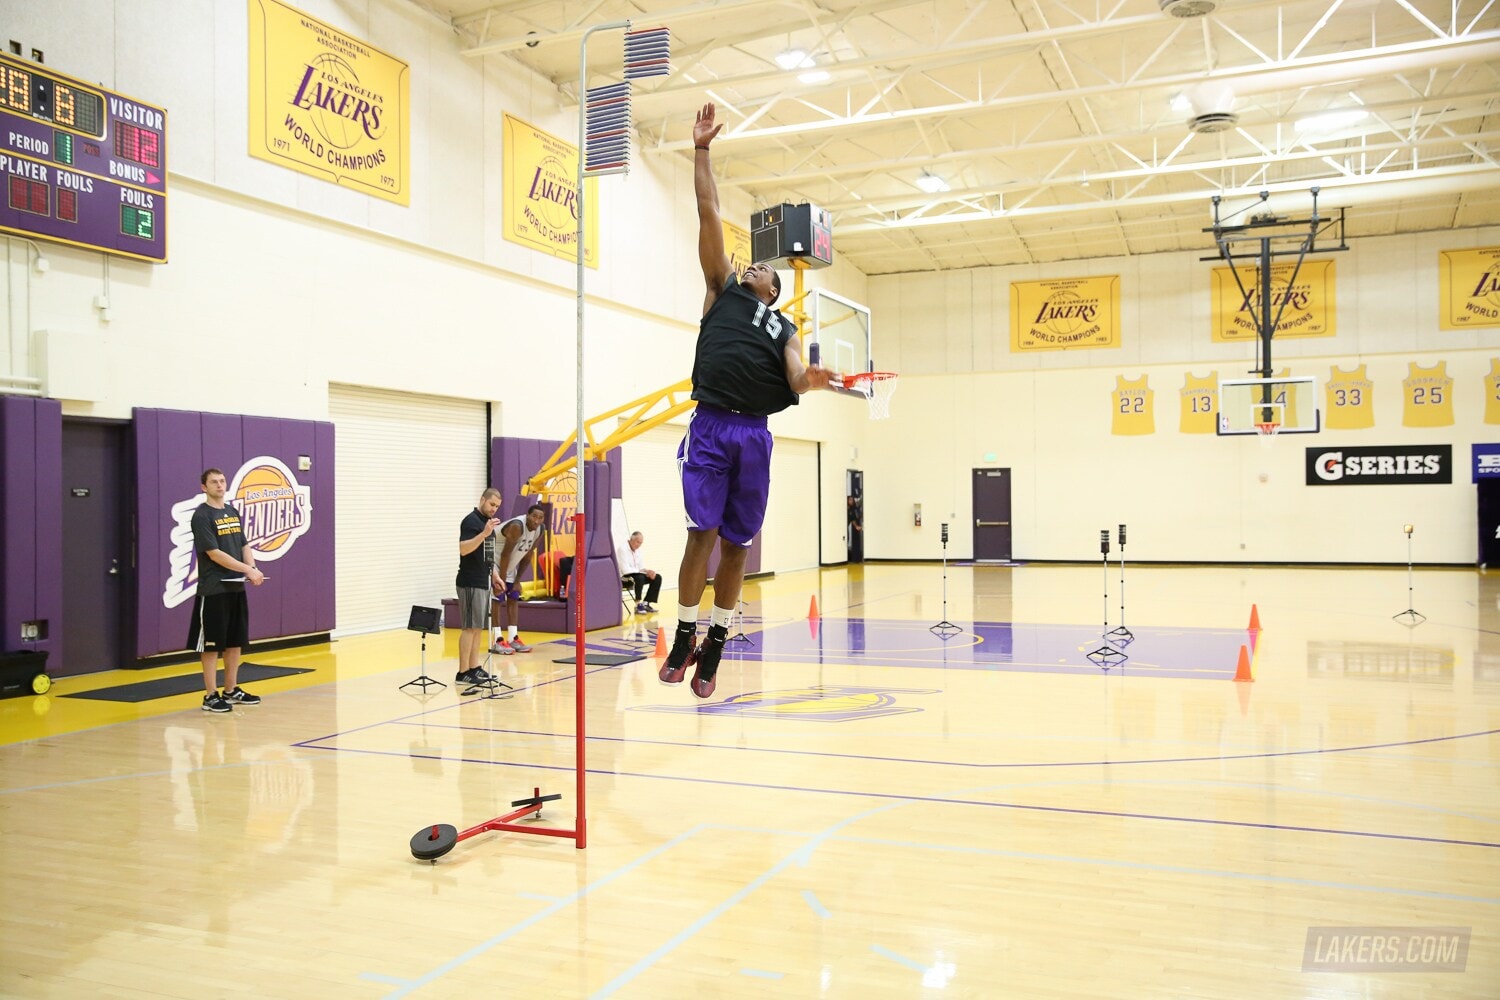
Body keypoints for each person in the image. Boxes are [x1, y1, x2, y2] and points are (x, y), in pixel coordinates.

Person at [660, 102, 835, 699]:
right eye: (750, 262)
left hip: (755, 434)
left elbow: (793, 380)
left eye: (763, 268)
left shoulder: (785, 328)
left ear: (774, 290)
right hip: (710, 425)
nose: (753, 263)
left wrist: (815, 378)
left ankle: (715, 644)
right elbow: (708, 209)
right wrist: (702, 150)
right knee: (699, 537)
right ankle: (685, 633)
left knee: (737, 546)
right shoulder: (721, 291)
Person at [189, 468, 266, 712]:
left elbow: (243, 543)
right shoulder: (202, 516)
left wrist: (251, 568)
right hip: (213, 589)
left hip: (236, 587)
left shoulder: (232, 512)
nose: (220, 485)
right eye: (214, 482)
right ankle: (210, 695)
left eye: (222, 481)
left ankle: (231, 690)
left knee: (235, 642)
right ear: (204, 487)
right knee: (212, 645)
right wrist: (247, 568)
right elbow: (214, 553)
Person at [455, 488, 503, 684]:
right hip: (470, 581)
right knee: (469, 627)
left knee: (478, 628)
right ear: (482, 500)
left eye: (497, 507)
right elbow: (464, 549)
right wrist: (484, 533)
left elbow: (488, 555)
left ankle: (474, 667)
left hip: (483, 581)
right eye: (491, 505)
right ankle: (462, 672)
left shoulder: (487, 524)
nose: (494, 509)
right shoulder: (471, 521)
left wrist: (495, 576)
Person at [490, 503, 546, 654]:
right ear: (527, 516)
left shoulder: (540, 529)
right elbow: (505, 554)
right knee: (498, 597)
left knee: (514, 596)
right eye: (534, 516)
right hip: (492, 561)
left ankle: (513, 638)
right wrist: (499, 582)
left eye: (540, 518)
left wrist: (517, 580)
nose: (537, 520)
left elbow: (528, 555)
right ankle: (497, 640)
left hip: (508, 565)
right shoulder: (517, 526)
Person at [618, 531, 662, 612]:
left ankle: (646, 603)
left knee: (657, 577)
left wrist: (648, 571)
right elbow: (625, 570)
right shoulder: (622, 549)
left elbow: (641, 567)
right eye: (637, 542)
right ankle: (638, 605)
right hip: (624, 578)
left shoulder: (639, 550)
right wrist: (641, 572)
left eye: (641, 543)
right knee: (640, 578)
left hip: (637, 576)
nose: (639, 545)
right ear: (631, 539)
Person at [847, 495, 864, 563]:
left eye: (852, 500)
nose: (852, 501)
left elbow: (853, 519)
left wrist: (856, 526)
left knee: (847, 540)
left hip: (846, 528)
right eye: (850, 500)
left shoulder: (851, 510)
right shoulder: (844, 508)